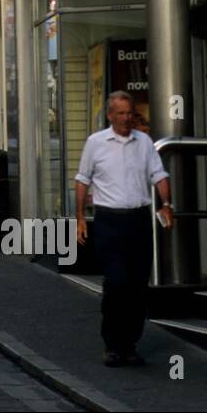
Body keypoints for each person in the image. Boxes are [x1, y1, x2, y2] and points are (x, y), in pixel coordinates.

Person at [75, 90, 173, 367]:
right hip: (109, 220)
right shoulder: (95, 143)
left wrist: (167, 203)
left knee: (137, 285)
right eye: (120, 113)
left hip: (139, 220)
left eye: (129, 113)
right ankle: (112, 343)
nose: (126, 118)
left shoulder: (144, 142)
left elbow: (159, 174)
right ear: (110, 115)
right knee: (116, 282)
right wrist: (80, 218)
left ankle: (130, 344)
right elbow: (82, 180)